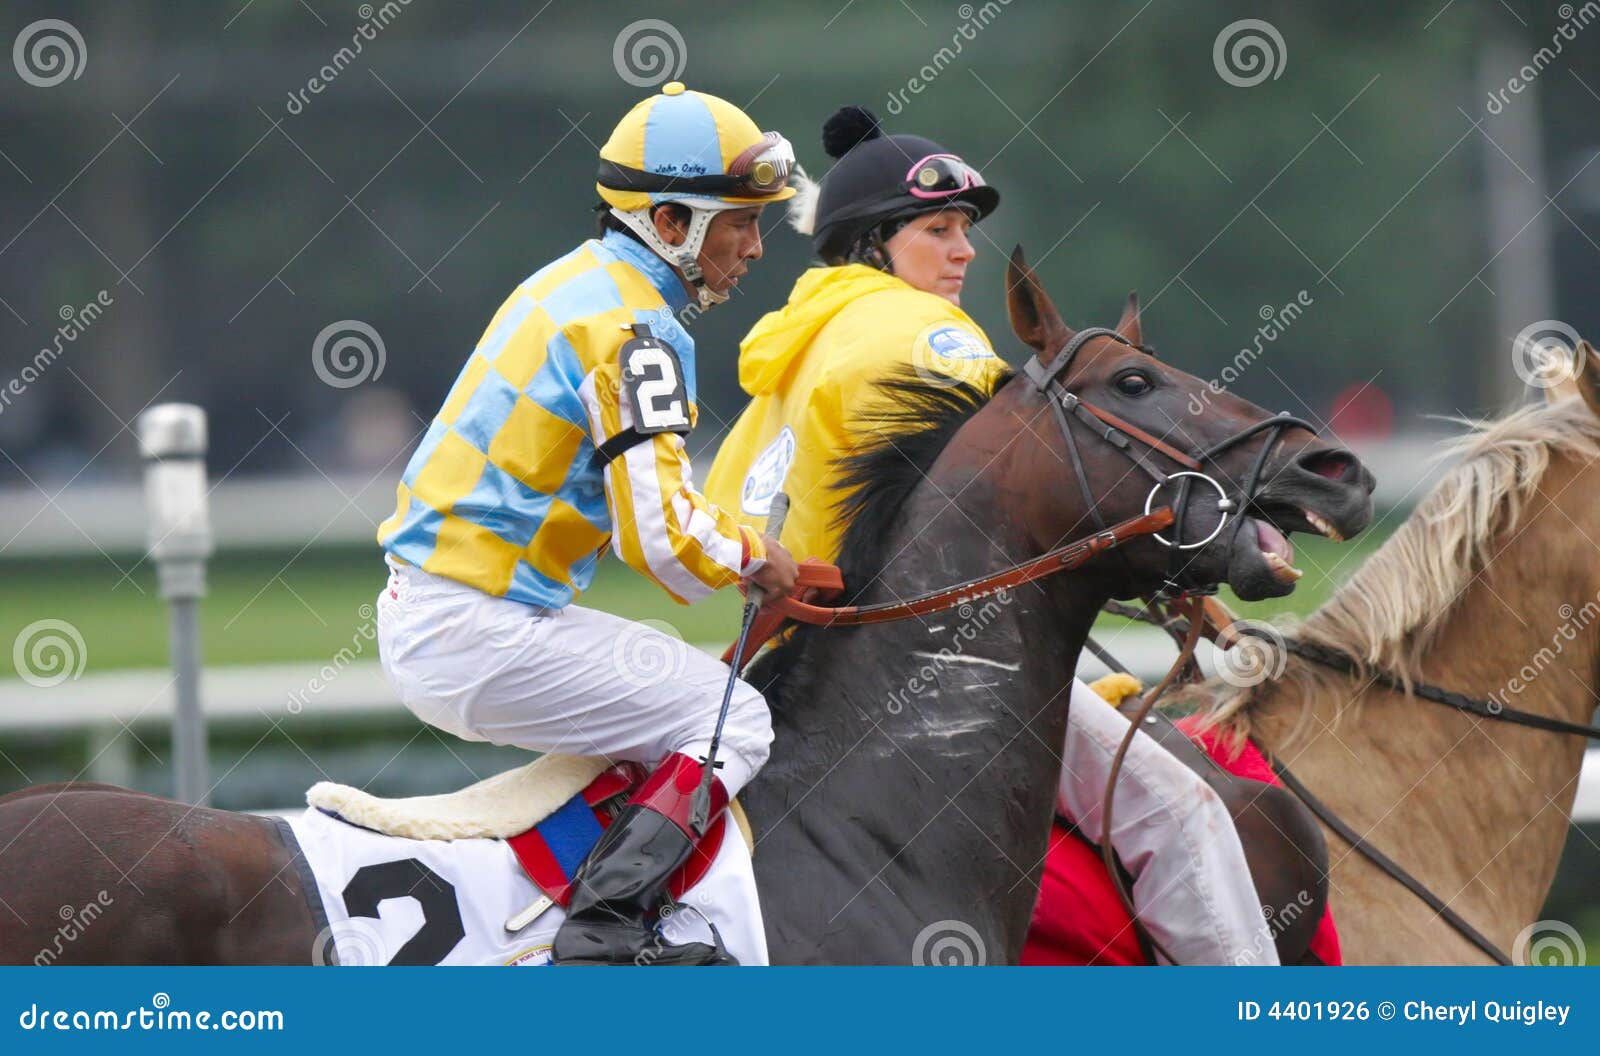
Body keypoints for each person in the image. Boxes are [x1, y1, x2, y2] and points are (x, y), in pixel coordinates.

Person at [704, 105, 1278, 965]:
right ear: (872, 245)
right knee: (1182, 813)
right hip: (917, 673)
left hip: (767, 675)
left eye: (965, 229)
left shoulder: (788, 351)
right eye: (938, 229)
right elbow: (1046, 464)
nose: (965, 250)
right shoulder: (921, 331)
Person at [375, 82, 799, 966]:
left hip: (457, 611)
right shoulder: (635, 328)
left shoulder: (573, 281)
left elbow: (655, 511)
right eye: (740, 224)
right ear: (671, 223)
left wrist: (735, 546)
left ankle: (564, 900)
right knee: (738, 721)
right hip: (476, 626)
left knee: (668, 704)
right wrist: (761, 556)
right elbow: (660, 539)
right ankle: (603, 933)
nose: (755, 248)